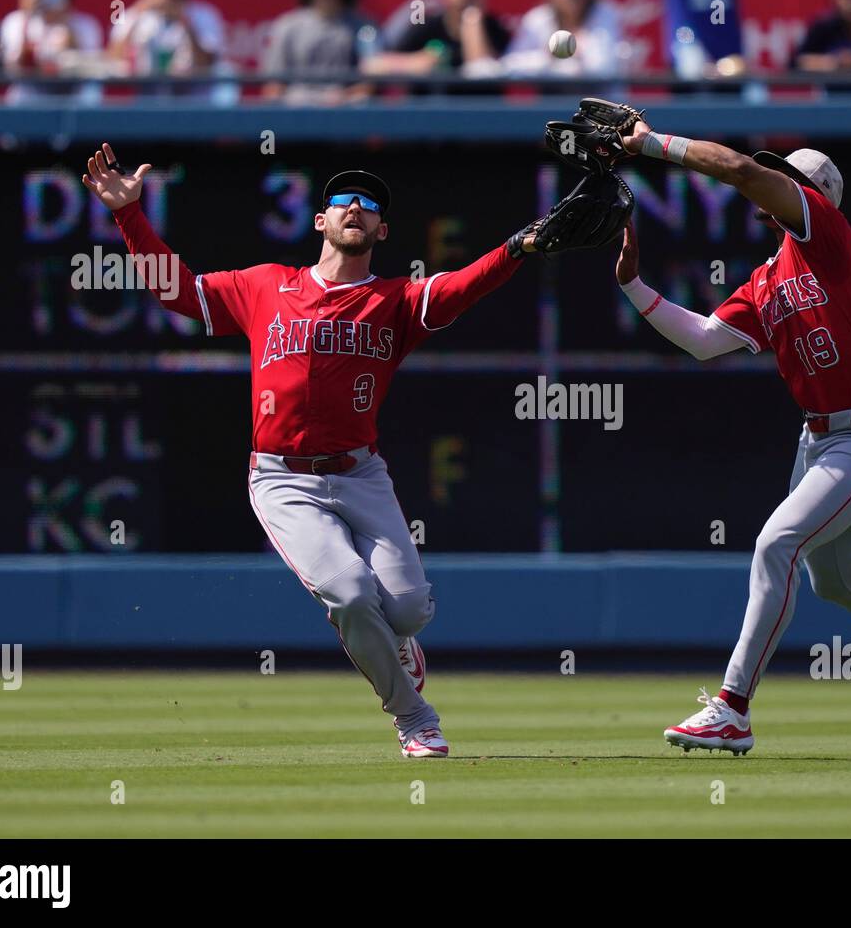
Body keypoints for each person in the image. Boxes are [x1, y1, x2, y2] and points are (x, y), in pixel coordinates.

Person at [81, 142, 549, 757]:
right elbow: (181, 295)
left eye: (370, 204)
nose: (356, 207)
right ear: (321, 220)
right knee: (353, 594)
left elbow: (465, 285)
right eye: (342, 200)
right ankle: (414, 718)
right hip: (283, 480)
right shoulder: (265, 286)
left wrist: (518, 247)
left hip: (361, 474)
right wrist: (129, 217)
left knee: (406, 610)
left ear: (383, 228)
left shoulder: (396, 300)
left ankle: (394, 641)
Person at [607, 117, 851, 754]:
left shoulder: (825, 234)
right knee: (837, 579)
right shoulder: (770, 277)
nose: (773, 182)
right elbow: (706, 342)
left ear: (812, 194)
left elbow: (742, 172)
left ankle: (731, 708)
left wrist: (651, 143)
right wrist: (634, 286)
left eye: (788, 177)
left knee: (776, 544)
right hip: (821, 441)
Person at [367, 0, 510, 81]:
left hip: (481, 113)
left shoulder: (495, 28)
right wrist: (415, 62)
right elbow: (378, 63)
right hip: (429, 112)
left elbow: (484, 70)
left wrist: (472, 23)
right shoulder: (428, 25)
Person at [263, 0, 378, 104]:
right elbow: (273, 86)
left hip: (347, 113)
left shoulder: (365, 27)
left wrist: (344, 98)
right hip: (297, 111)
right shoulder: (286, 27)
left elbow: (370, 81)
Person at [108, 0, 226, 93]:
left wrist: (184, 21)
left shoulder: (204, 14)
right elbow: (115, 56)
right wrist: (139, 12)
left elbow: (205, 62)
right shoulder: (134, 14)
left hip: (191, 96)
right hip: (146, 94)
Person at [0, 0, 103, 104]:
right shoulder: (16, 22)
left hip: (72, 99)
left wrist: (64, 22)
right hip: (31, 99)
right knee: (20, 94)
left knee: (90, 93)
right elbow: (16, 66)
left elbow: (88, 70)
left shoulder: (86, 24)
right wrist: (28, 17)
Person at [502, 0, 626, 79]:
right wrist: (547, 57)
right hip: (550, 99)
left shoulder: (605, 14)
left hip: (597, 100)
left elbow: (604, 69)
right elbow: (510, 65)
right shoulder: (538, 18)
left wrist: (576, 56)